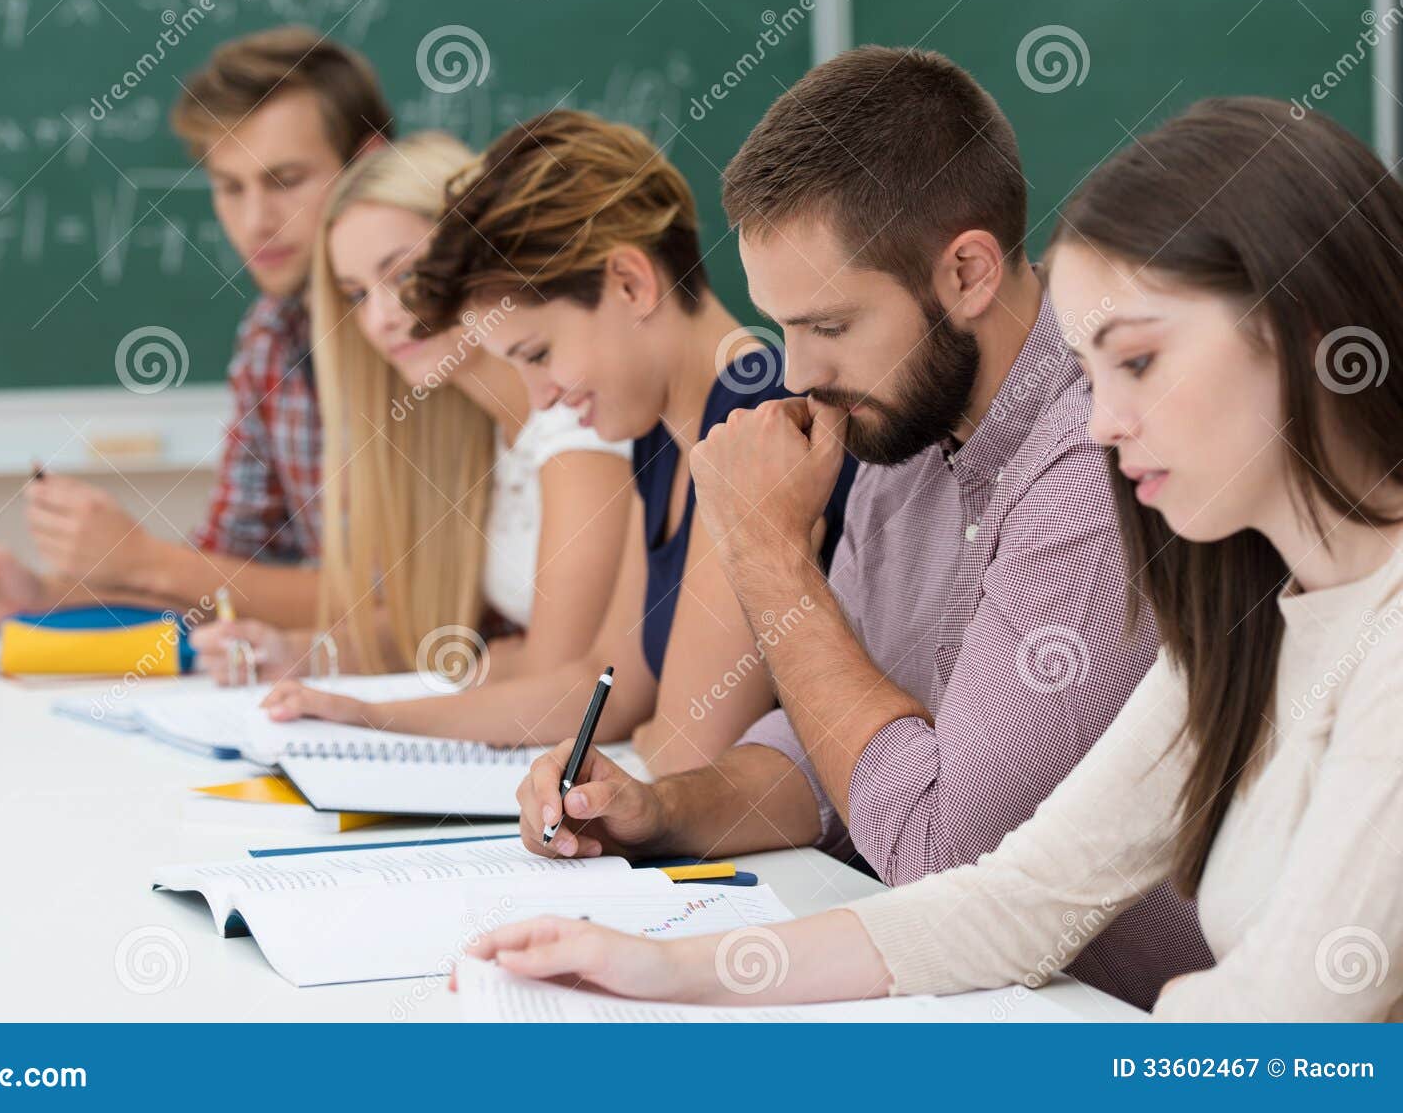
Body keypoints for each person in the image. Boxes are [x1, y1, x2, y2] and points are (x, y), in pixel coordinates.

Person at [470, 97, 1403, 1021]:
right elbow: (1013, 898)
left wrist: (766, 553)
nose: (1105, 418)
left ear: (1300, 331)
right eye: (1093, 365)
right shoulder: (1237, 610)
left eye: (1140, 362)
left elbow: (1290, 1034)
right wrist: (659, 966)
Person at [259, 110, 858, 775]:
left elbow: (690, 751)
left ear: (631, 283)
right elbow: (603, 689)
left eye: (539, 353)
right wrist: (367, 718)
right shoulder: (659, 437)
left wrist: (647, 741)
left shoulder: (753, 422)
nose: (540, 397)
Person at [0, 27, 391, 629]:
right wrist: (41, 596)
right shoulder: (271, 334)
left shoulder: (428, 332)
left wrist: (145, 561)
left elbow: (402, 605)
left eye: (286, 180)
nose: (256, 221)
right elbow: (232, 571)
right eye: (230, 187)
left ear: (368, 164)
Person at [188, 132, 633, 683]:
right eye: (356, 294)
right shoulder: (474, 429)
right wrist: (297, 654)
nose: (381, 319)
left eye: (403, 275)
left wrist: (366, 705)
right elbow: (438, 633)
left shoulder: (581, 421)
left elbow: (556, 679)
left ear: (475, 251)